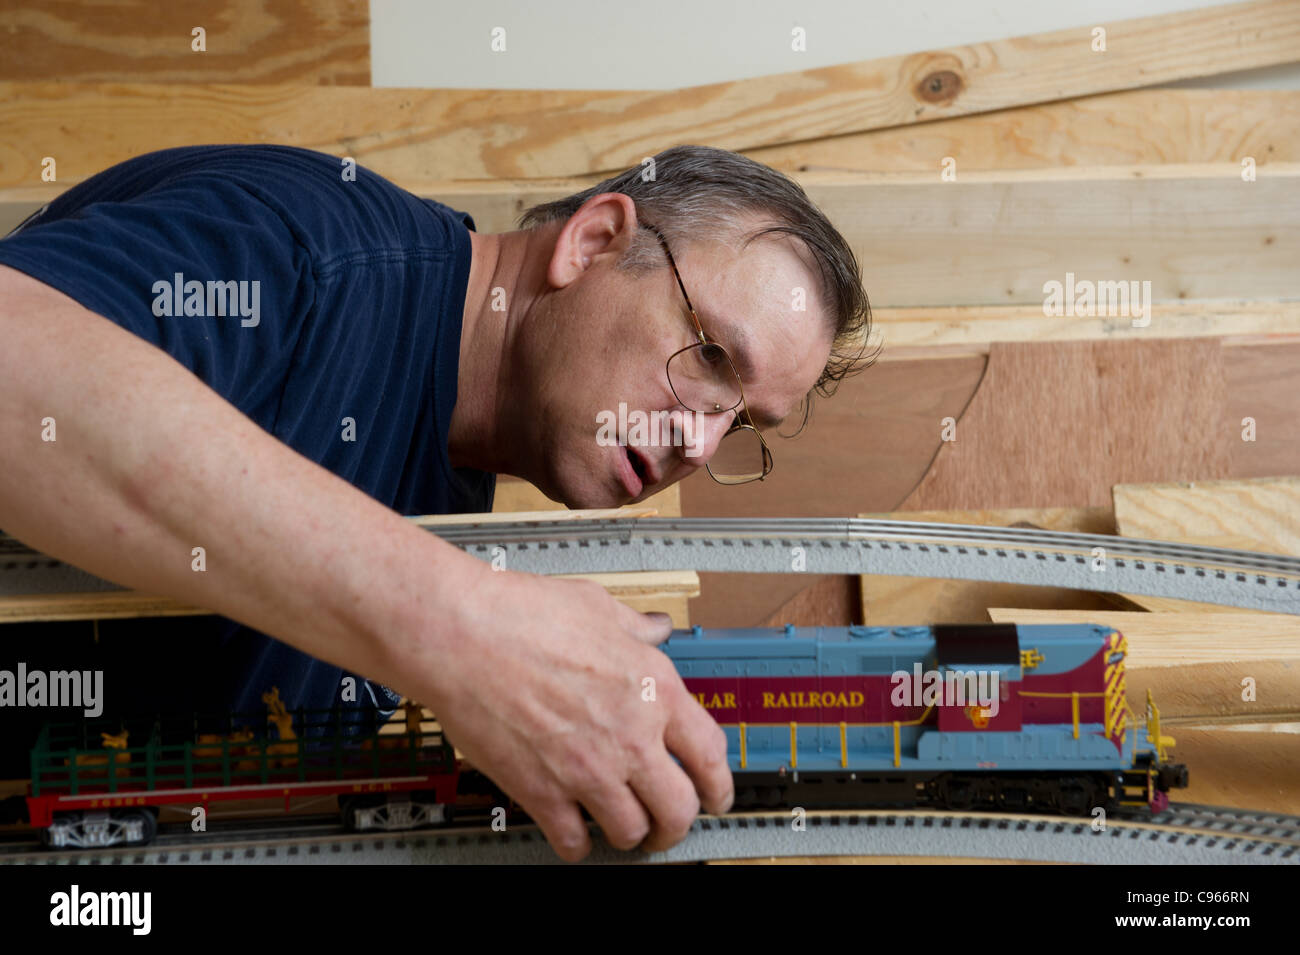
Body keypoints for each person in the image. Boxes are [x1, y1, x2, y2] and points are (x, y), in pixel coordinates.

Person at [0, 143, 871, 860]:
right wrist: (459, 625)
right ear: (596, 241)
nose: (701, 442)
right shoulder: (312, 251)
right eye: (711, 359)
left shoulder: (449, 478)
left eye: (741, 423)